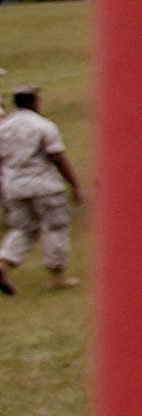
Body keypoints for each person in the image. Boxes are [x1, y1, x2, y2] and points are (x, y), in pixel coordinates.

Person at [0, 87, 82, 295]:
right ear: (33, 102)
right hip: (44, 185)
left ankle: (4, 264)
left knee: (23, 228)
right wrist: (74, 185)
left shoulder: (4, 127)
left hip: (14, 186)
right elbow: (57, 157)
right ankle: (57, 276)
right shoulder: (43, 125)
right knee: (55, 226)